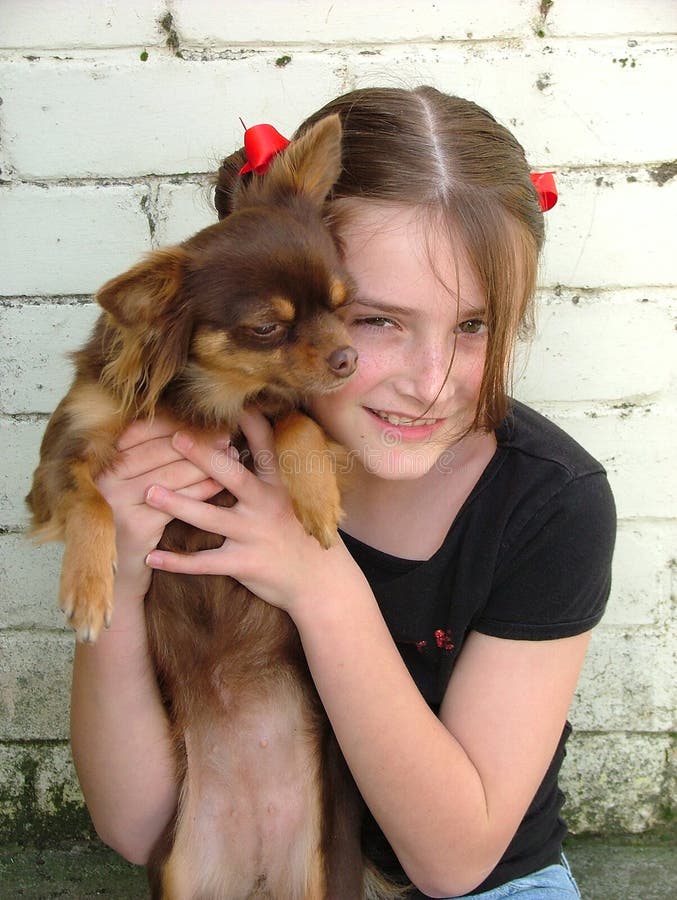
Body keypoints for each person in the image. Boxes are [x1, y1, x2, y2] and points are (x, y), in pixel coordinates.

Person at [69, 86, 616, 898]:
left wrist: (319, 584)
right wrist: (119, 570)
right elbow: (141, 825)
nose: (429, 385)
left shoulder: (548, 504)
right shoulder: (200, 467)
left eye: (473, 326)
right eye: (376, 321)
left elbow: (454, 862)